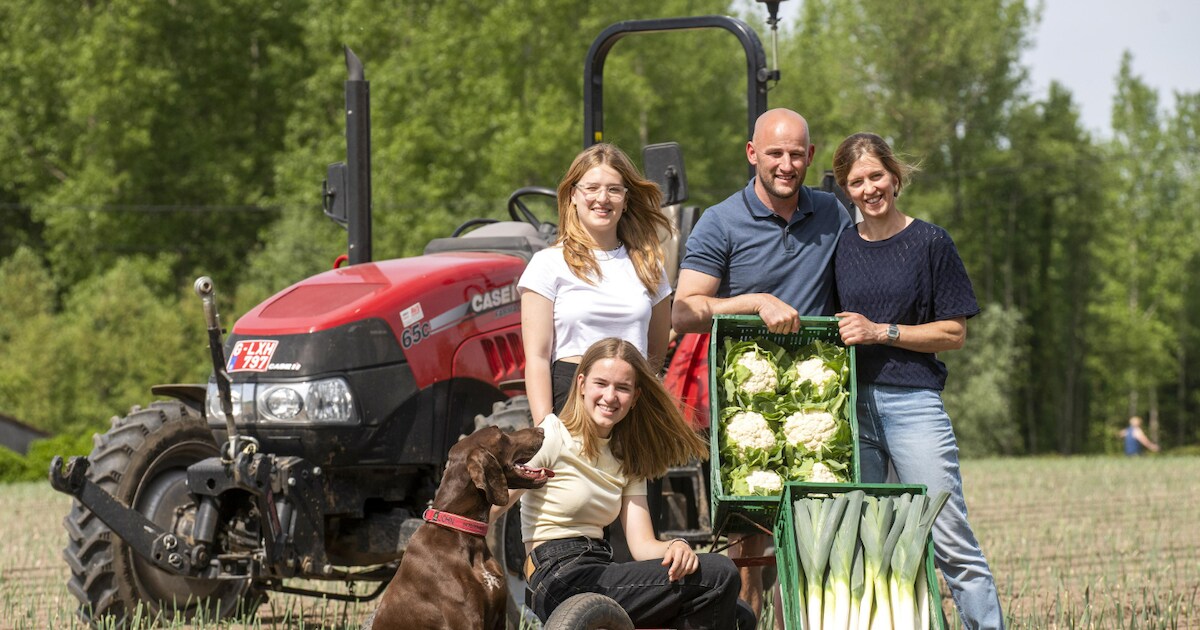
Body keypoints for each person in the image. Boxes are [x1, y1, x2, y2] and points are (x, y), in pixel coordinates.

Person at [673, 108, 853, 624]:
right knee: (749, 550)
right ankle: (749, 615)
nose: (786, 163)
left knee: (816, 538)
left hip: (821, 392)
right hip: (746, 393)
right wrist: (754, 300)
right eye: (775, 152)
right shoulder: (721, 221)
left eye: (797, 153)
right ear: (753, 154)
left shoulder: (833, 214)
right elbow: (685, 311)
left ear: (811, 157)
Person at [831, 131, 1004, 629]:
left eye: (876, 176)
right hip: (851, 410)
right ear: (846, 190)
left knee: (949, 537)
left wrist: (880, 331)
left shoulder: (931, 242)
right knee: (865, 548)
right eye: (856, 181)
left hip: (913, 405)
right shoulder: (841, 247)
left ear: (895, 176)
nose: (869, 189)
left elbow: (953, 333)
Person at [506, 338, 755, 629]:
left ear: (635, 396)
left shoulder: (626, 457)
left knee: (738, 612)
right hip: (558, 574)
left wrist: (677, 546)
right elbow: (499, 501)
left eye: (622, 388)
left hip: (598, 566)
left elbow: (642, 545)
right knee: (720, 572)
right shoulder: (551, 434)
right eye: (602, 383)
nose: (610, 396)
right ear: (582, 384)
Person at [519, 143, 674, 425]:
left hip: (631, 406)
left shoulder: (649, 265)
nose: (602, 198)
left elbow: (654, 356)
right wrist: (545, 428)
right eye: (591, 188)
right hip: (568, 401)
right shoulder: (547, 264)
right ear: (573, 196)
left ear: (626, 200)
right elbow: (538, 358)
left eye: (614, 189)